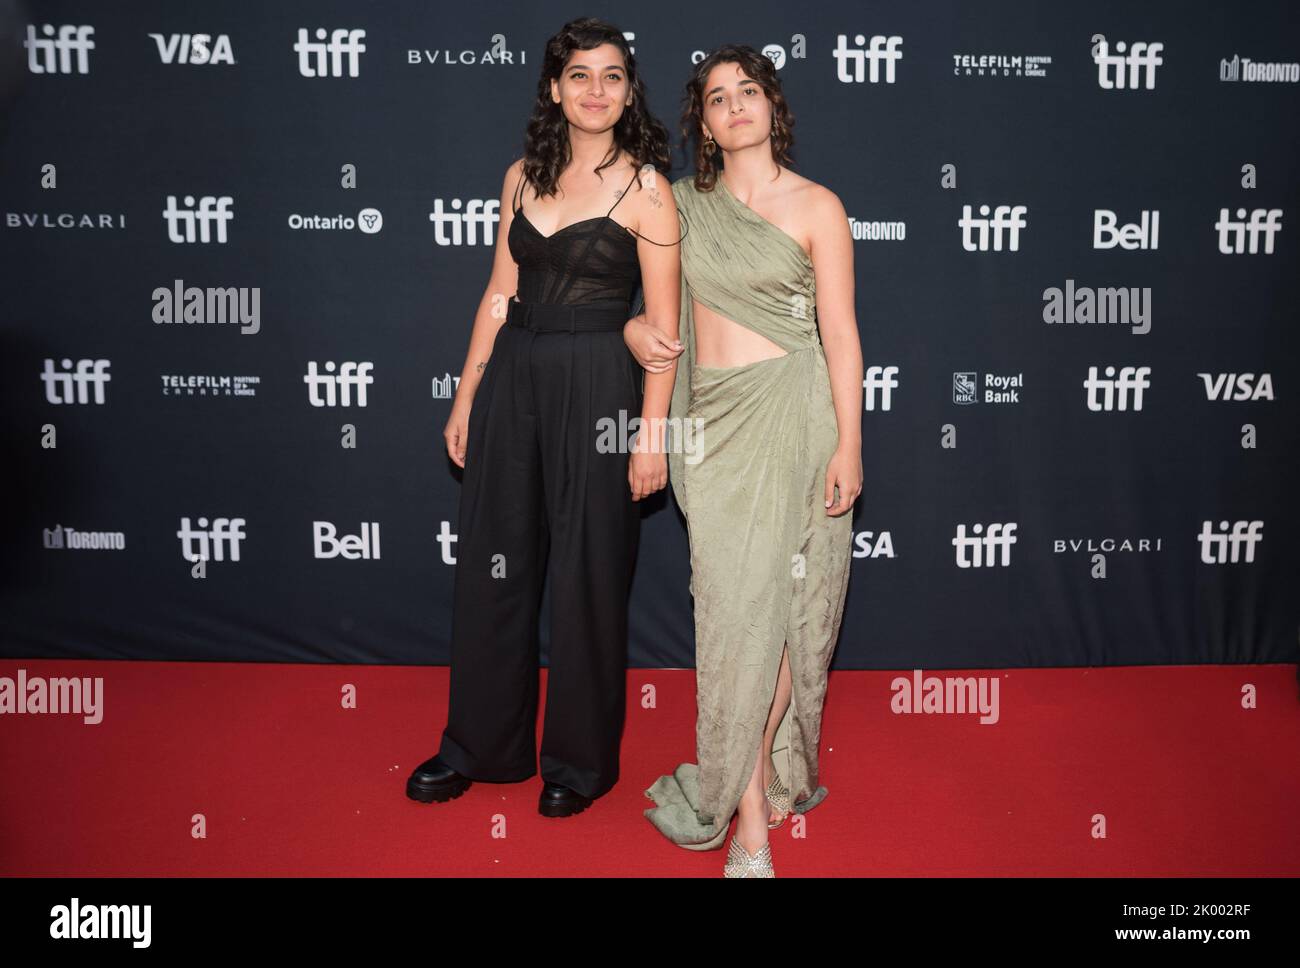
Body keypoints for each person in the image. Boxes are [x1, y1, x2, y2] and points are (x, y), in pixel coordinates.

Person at [406, 18, 681, 818]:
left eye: (613, 76)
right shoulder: (521, 175)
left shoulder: (648, 187)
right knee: (495, 564)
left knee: (591, 577)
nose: (596, 90)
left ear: (629, 92)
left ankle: (578, 762)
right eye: (580, 75)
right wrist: (465, 395)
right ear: (555, 88)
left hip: (601, 380)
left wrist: (651, 435)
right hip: (516, 375)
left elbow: (662, 328)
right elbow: (498, 292)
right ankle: (479, 748)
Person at [626, 45, 862, 876]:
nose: (734, 106)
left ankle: (744, 795)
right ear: (703, 120)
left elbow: (840, 335)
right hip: (717, 430)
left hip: (802, 419)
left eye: (748, 91)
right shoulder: (681, 206)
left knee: (800, 626)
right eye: (717, 97)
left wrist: (850, 444)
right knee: (733, 629)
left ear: (772, 106)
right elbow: (648, 306)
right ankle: (745, 808)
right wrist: (629, 330)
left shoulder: (817, 207)